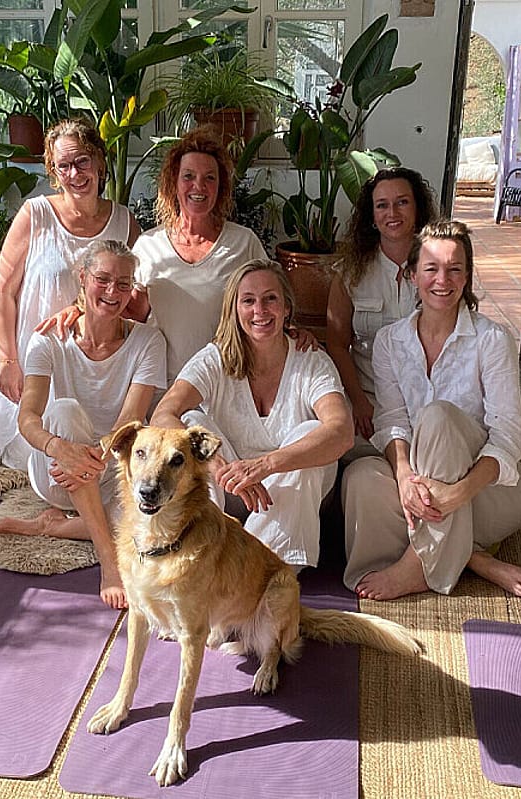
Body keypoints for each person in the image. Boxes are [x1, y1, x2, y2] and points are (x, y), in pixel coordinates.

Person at [341, 220, 521, 600]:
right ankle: (471, 558)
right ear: (412, 275)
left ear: (467, 277)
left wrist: (458, 493)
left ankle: (415, 566)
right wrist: (402, 476)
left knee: (438, 416)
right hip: (426, 486)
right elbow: (392, 421)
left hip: (489, 491)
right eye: (431, 268)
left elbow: (509, 436)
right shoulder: (389, 342)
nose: (442, 280)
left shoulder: (492, 340)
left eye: (454, 269)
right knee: (362, 477)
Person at [0, 241, 166, 610]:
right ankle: (107, 560)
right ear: (82, 279)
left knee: (154, 524)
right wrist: (59, 447)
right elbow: (28, 417)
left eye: (123, 283)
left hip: (111, 467)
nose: (112, 291)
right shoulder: (48, 339)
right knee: (65, 410)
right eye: (102, 279)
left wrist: (96, 455)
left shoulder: (148, 341)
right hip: (58, 470)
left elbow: (129, 422)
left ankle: (51, 527)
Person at [152, 259, 353, 569]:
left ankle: (253, 570)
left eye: (270, 298)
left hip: (294, 497)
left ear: (287, 308)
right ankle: (198, 550)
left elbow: (341, 431)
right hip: (230, 492)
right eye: (248, 300)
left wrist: (265, 466)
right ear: (235, 309)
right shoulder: (215, 358)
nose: (260, 310)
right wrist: (221, 466)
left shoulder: (311, 360)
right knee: (192, 424)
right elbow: (164, 414)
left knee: (310, 431)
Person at [0, 118, 140, 469]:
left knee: (90, 449)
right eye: (63, 165)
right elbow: (3, 291)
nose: (75, 173)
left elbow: (131, 294)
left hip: (88, 361)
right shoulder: (35, 214)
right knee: (29, 460)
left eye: (82, 161)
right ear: (53, 171)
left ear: (99, 160)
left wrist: (83, 310)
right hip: (28, 355)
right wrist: (8, 360)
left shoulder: (125, 223)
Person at [127, 127, 269, 383]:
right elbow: (125, 315)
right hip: (159, 386)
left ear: (221, 185)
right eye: (188, 176)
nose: (199, 186)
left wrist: (296, 332)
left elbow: (271, 303)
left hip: (223, 385)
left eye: (210, 178)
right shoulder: (148, 245)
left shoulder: (243, 242)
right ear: (174, 182)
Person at [325, 168, 439, 449]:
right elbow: (337, 345)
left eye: (402, 202)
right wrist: (360, 403)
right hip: (369, 397)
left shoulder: (442, 268)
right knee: (345, 450)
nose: (392, 213)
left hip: (429, 399)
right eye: (382, 205)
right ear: (372, 217)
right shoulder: (350, 273)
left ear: (418, 209)